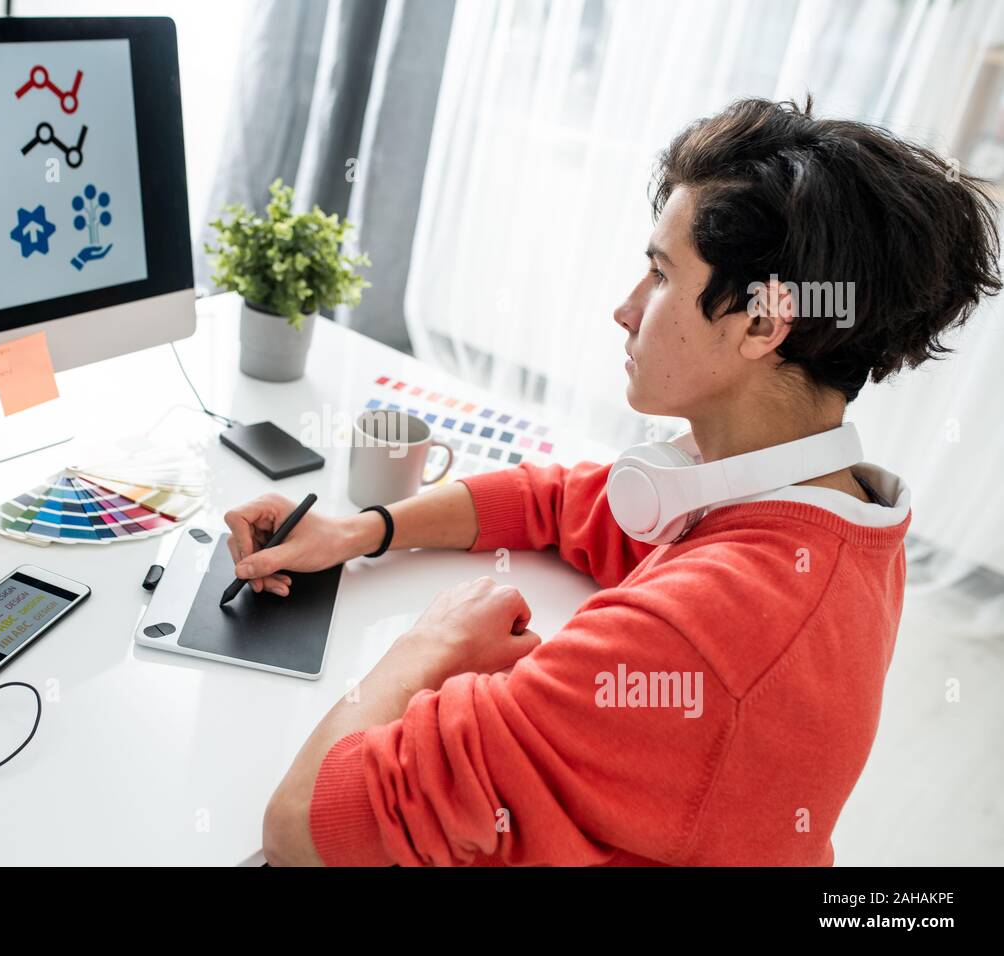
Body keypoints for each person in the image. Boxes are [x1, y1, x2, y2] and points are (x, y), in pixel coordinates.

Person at [229, 97, 1001, 866]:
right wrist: (363, 529)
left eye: (661, 277)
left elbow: (301, 827)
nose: (625, 309)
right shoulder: (837, 509)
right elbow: (560, 500)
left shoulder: (689, 639)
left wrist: (426, 645)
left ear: (764, 325)